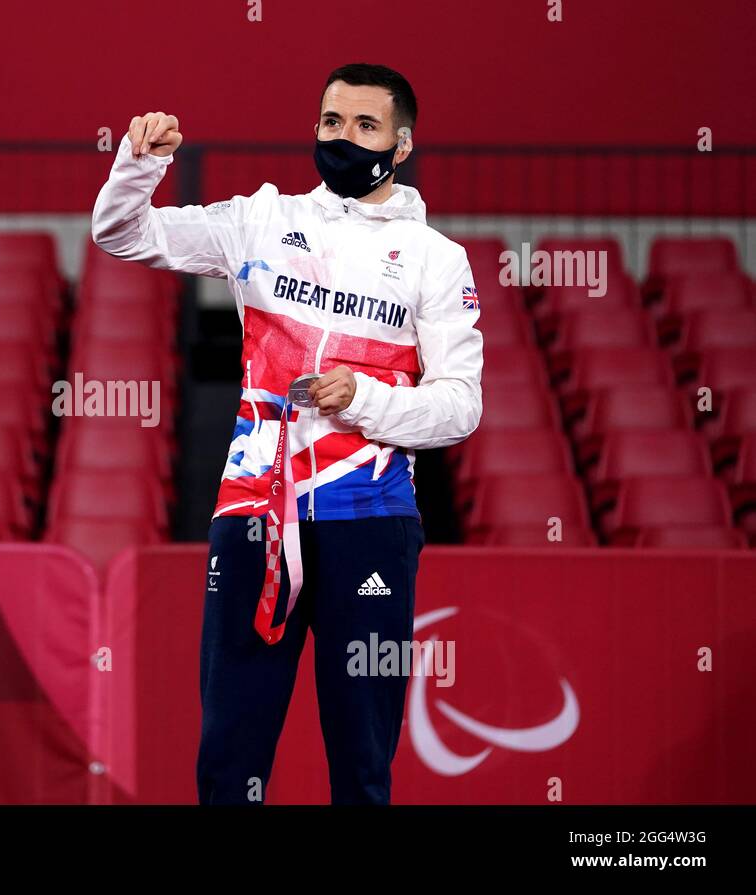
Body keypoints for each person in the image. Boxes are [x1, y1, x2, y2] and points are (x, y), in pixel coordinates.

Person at [90, 63, 484, 804]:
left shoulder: (437, 259)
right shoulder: (260, 221)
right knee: (229, 753)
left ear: (400, 146)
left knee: (362, 763)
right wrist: (141, 162)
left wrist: (364, 397)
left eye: (365, 127)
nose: (344, 138)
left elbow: (461, 405)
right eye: (332, 122)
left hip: (368, 518)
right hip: (253, 512)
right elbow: (119, 231)